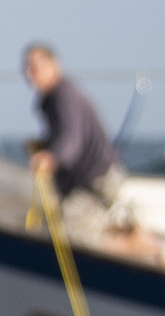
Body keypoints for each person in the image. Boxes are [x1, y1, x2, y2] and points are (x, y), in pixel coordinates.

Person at [23, 41, 141, 239]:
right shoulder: (54, 98)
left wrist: (50, 158)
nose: (29, 74)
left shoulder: (63, 97)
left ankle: (142, 248)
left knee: (72, 230)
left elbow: (71, 141)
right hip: (90, 179)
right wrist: (44, 146)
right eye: (26, 68)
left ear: (55, 65)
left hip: (97, 180)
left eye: (35, 67)